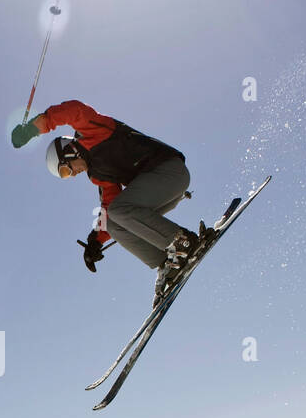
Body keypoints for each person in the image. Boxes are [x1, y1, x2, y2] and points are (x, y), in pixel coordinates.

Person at [11, 100, 213, 304]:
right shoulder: (98, 175)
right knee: (113, 223)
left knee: (119, 210)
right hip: (159, 189)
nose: (72, 175)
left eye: (65, 170)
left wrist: (33, 129)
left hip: (170, 172)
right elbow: (109, 207)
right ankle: (167, 262)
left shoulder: (93, 134)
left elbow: (74, 111)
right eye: (65, 176)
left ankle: (183, 242)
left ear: (69, 152)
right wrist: (96, 241)